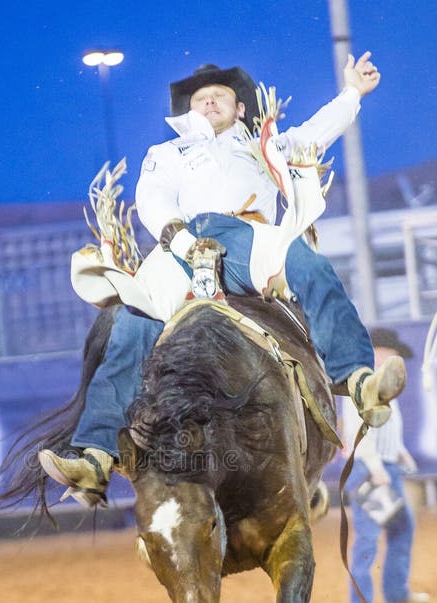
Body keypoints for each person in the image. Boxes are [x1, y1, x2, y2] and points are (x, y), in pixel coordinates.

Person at [40, 53, 406, 506]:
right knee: (131, 318)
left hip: (248, 236)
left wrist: (352, 91)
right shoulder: (166, 153)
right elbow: (152, 199)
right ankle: (95, 454)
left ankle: (358, 380)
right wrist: (179, 240)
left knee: (306, 261)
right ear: (188, 110)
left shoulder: (265, 145)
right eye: (201, 98)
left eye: (220, 96)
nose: (210, 102)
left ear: (240, 108)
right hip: (181, 243)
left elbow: (316, 133)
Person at [341, 327, 431, 603]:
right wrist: (376, 466)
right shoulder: (361, 385)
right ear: (378, 353)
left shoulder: (386, 386)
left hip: (385, 466)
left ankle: (395, 591)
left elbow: (388, 427)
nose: (396, 358)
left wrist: (399, 453)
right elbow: (359, 431)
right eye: (392, 353)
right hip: (370, 469)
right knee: (368, 535)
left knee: (401, 527)